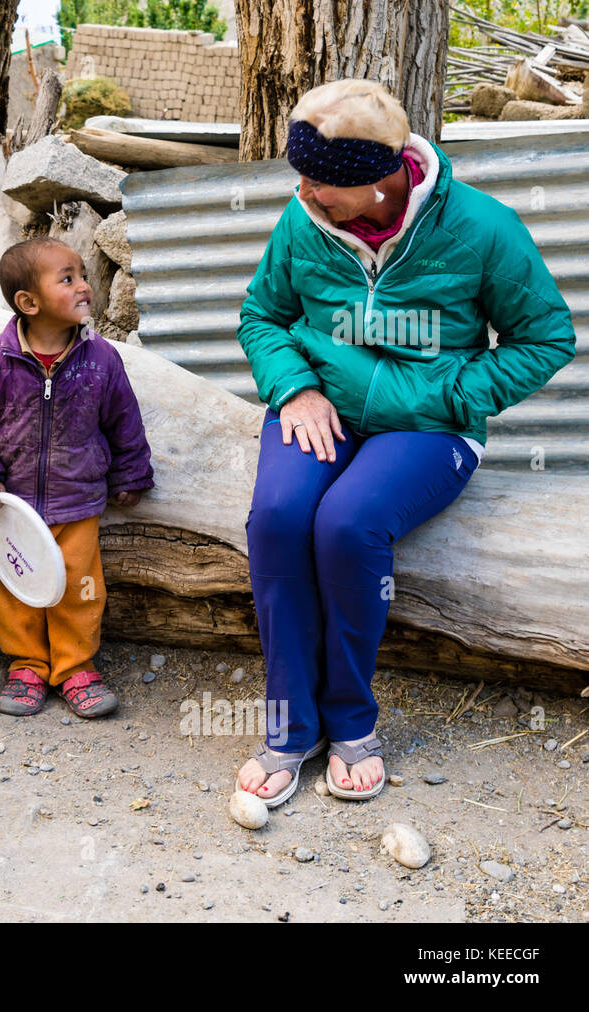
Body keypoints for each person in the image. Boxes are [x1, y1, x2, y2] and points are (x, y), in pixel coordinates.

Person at [235, 80, 576, 805]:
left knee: (349, 524)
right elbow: (263, 315)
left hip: (430, 425)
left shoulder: (483, 227)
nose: (304, 193)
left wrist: (457, 396)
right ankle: (291, 726)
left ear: (380, 177)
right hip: (320, 406)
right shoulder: (303, 221)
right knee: (277, 520)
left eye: (322, 182)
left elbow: (545, 338)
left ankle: (352, 722)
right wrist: (294, 386)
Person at [0, 238, 154, 719]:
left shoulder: (100, 359)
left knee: (79, 588)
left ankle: (75, 666)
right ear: (28, 302)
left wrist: (131, 474)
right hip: (9, 510)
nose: (85, 285)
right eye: (69, 278)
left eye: (83, 274)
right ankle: (26, 665)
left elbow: (124, 421)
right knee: (10, 587)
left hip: (76, 503)